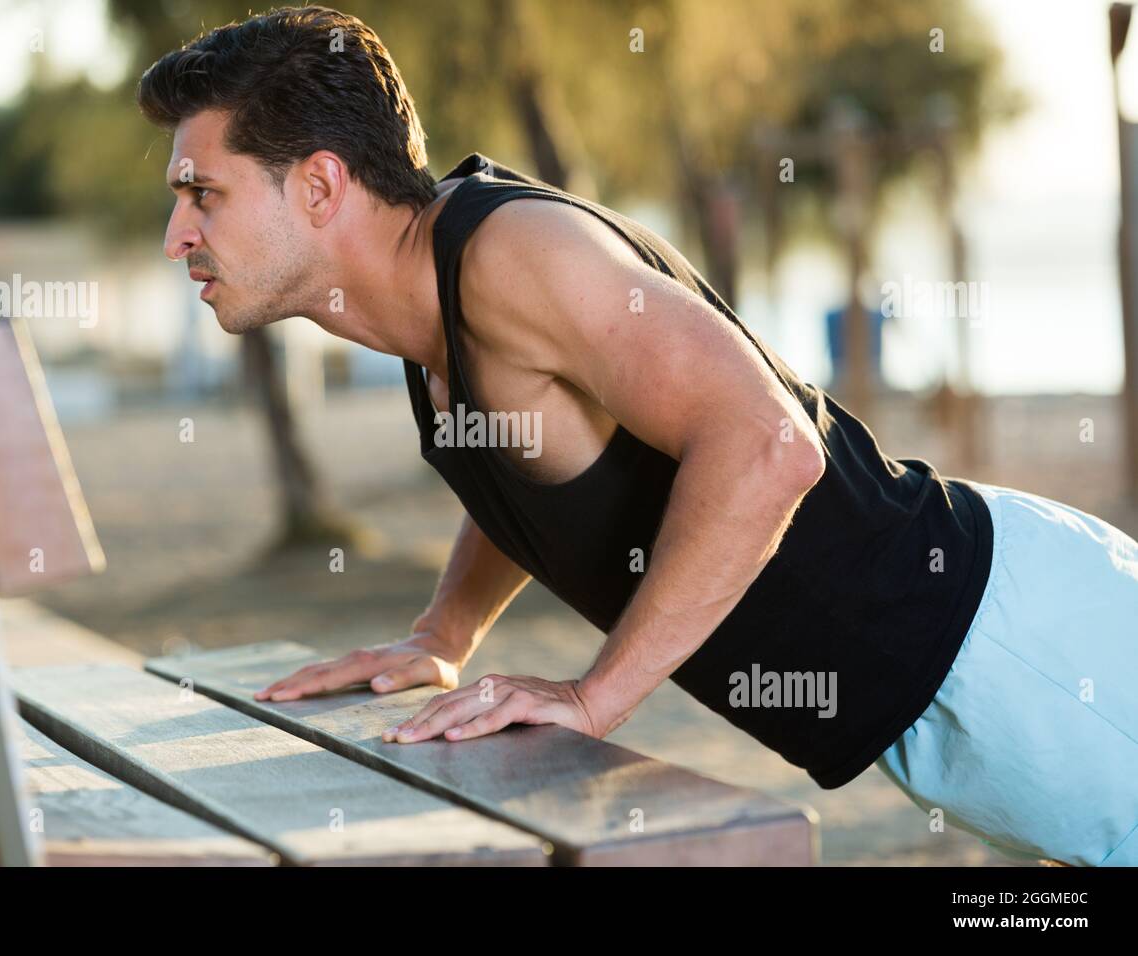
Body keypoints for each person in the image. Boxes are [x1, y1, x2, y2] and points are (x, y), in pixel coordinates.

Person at [136, 5, 1138, 866]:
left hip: (1015, 646)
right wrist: (444, 630)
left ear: (317, 185)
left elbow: (764, 444)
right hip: (945, 705)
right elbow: (533, 455)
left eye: (202, 192)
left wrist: (593, 697)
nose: (178, 233)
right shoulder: (425, 307)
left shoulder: (511, 256)